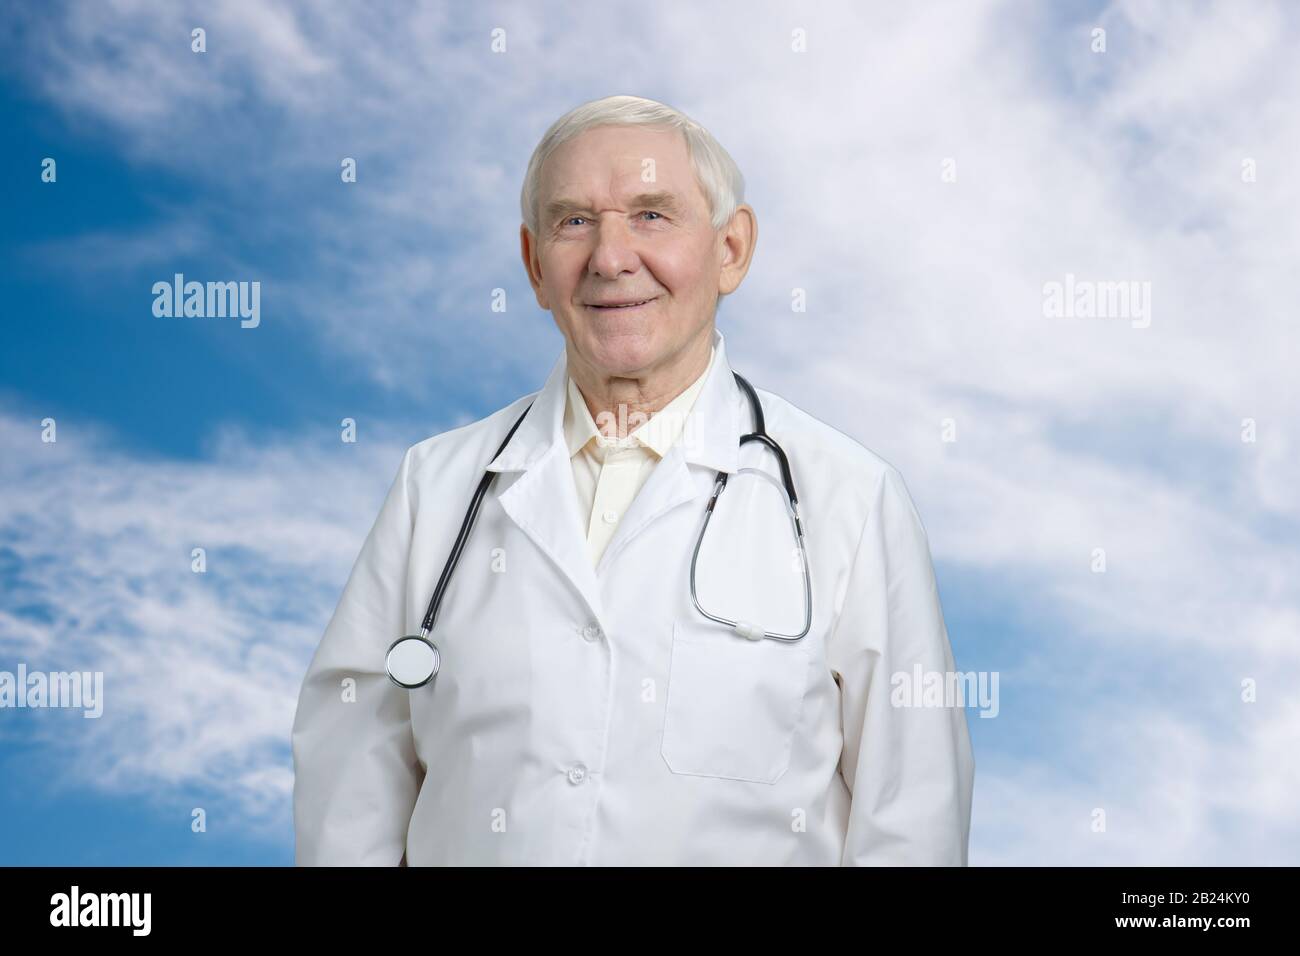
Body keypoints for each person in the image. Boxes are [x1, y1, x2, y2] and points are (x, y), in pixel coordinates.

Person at [291, 94, 974, 866]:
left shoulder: (849, 498)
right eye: (574, 221)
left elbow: (913, 819)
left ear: (731, 250)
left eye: (651, 215)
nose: (611, 258)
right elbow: (347, 790)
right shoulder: (436, 488)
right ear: (533, 265)